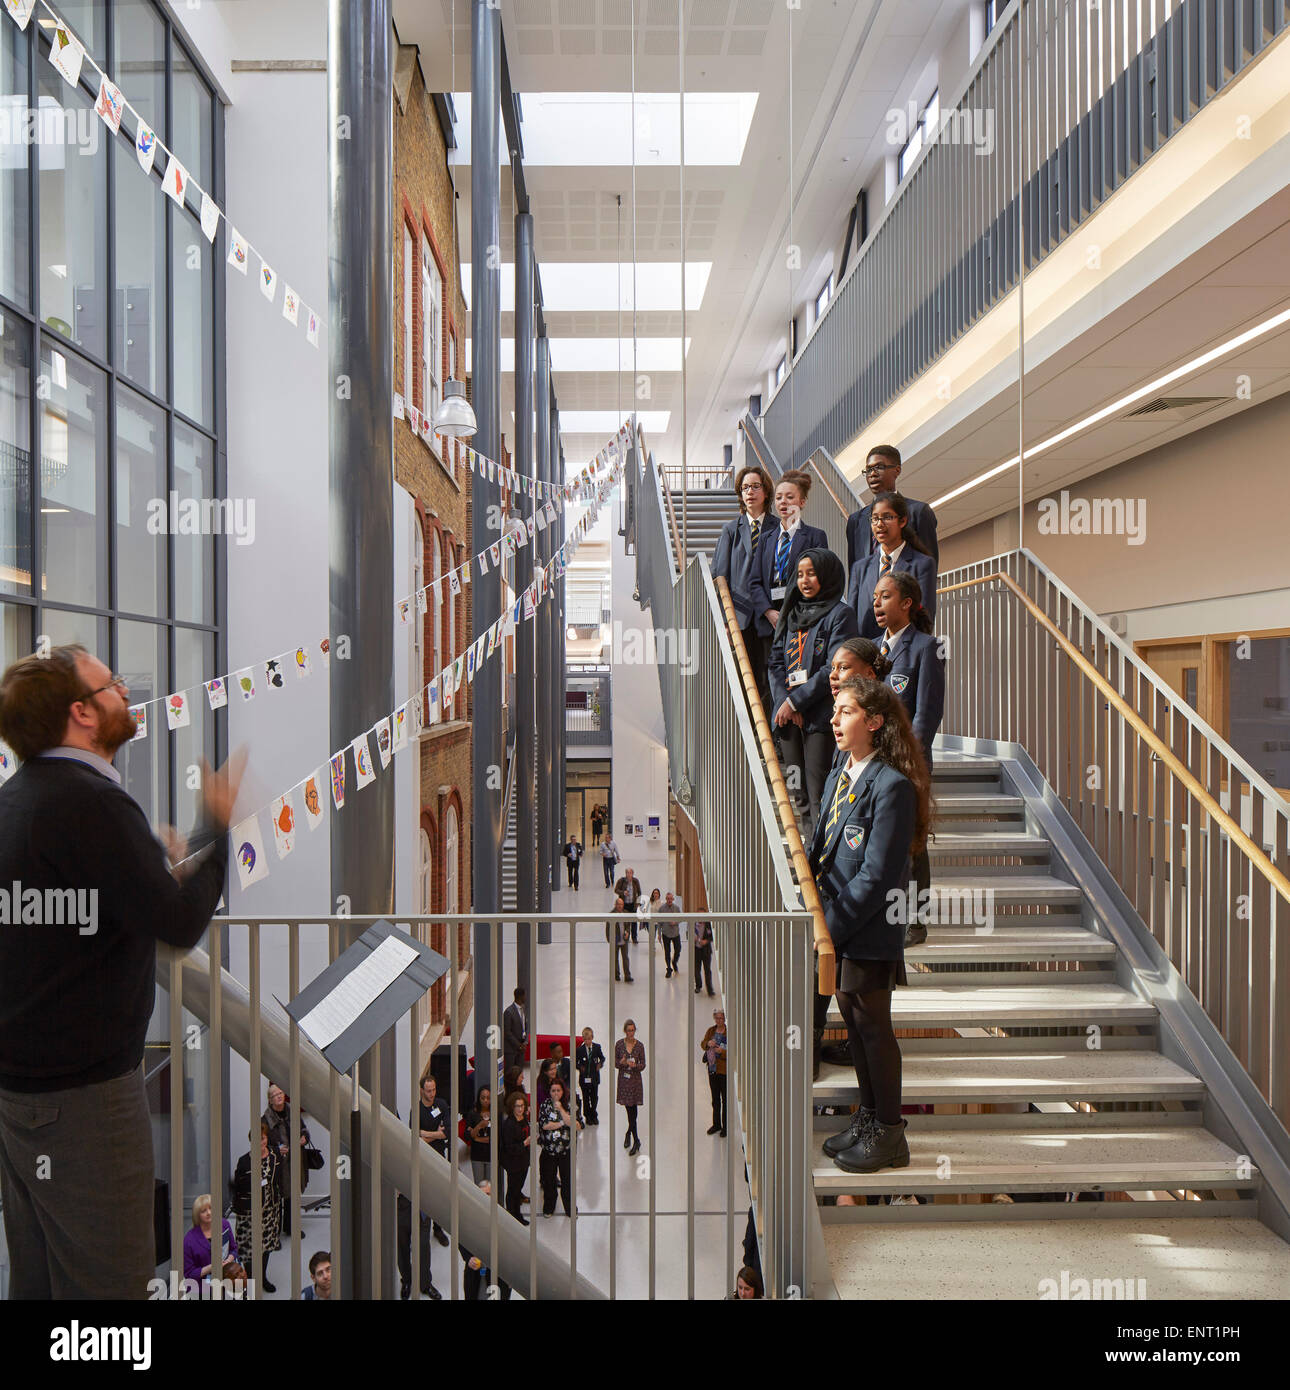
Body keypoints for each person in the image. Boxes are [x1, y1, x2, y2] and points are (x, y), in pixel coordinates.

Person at [0, 644, 242, 1299]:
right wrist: (213, 831)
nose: (125, 693)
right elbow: (177, 923)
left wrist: (145, 866)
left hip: (22, 1099)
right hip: (87, 1104)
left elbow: (71, 910)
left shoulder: (17, 799)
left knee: (41, 1279)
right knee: (106, 1289)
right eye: (111, 685)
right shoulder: (91, 804)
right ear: (81, 713)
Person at [812, 679, 930, 1175]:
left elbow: (878, 876)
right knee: (856, 1029)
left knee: (875, 1029)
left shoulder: (893, 786)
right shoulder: (843, 771)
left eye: (845, 712)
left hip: (868, 930)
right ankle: (867, 1118)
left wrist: (829, 930)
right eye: (835, 712)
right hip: (838, 927)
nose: (834, 721)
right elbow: (824, 846)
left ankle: (890, 1132)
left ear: (874, 722)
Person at [872, 570, 944, 947]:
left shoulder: (925, 647)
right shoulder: (871, 648)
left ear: (907, 604)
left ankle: (915, 921)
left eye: (885, 597)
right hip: (873, 762)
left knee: (911, 845)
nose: (877, 604)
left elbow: (927, 714)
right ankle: (885, 915)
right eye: (874, 598)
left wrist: (906, 760)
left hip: (908, 764)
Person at [769, 548, 860, 826]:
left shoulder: (841, 615)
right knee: (799, 795)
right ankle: (809, 855)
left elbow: (833, 668)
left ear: (827, 576)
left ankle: (819, 859)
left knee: (819, 792)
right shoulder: (791, 612)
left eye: (812, 574)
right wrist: (786, 702)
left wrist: (796, 702)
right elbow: (775, 662)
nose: (804, 581)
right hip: (790, 720)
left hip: (821, 718)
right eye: (799, 575)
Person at [712, 462, 777, 711]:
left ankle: (772, 736)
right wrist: (726, 620)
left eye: (755, 486)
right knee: (746, 677)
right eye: (745, 487)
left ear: (766, 492)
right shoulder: (731, 530)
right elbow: (721, 578)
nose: (750, 492)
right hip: (740, 618)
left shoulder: (777, 526)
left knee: (770, 677)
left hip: (769, 615)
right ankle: (753, 734)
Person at [747, 469, 830, 638]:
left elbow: (820, 580)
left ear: (802, 502)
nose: (783, 502)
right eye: (778, 498)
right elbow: (754, 581)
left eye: (790, 497)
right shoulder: (766, 539)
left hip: (800, 619)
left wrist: (797, 612)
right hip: (768, 623)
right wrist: (768, 611)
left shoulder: (815, 536)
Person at [849, 492, 937, 638]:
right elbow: (851, 618)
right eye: (875, 519)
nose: (879, 524)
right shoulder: (860, 568)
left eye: (887, 517)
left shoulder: (922, 564)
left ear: (902, 521)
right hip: (866, 653)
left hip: (904, 651)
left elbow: (925, 615)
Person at [844, 445, 939, 574]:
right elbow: (854, 572)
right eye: (868, 470)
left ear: (897, 470)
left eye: (879, 467)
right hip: (869, 594)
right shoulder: (855, 521)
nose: (872, 474)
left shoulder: (918, 512)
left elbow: (929, 569)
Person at [232, 1122, 283, 1293]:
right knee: (248, 1248)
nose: (259, 1143)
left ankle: (262, 1277)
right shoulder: (244, 1161)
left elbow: (279, 1180)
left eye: (262, 1139)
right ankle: (250, 1279)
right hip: (249, 1211)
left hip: (270, 1208)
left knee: (266, 1245)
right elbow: (237, 1186)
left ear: (266, 1138)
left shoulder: (275, 1157)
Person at [262, 1082, 311, 1235]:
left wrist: (304, 1138)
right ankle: (274, 1233)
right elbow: (260, 1141)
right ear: (270, 1100)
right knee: (276, 1198)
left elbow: (304, 1130)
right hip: (277, 1164)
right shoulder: (265, 1120)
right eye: (274, 1095)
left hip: (295, 1162)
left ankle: (291, 1228)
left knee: (293, 1196)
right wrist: (275, 1149)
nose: (278, 1097)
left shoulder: (293, 1112)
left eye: (280, 1094)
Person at [417, 1071, 452, 1246]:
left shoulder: (442, 1104)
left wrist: (425, 1133)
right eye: (428, 1090)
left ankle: (438, 1229)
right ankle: (423, 1226)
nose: (432, 1093)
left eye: (434, 1090)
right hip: (423, 1158)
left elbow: (447, 1132)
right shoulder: (416, 1110)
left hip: (439, 1155)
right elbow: (415, 1137)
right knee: (425, 1194)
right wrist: (437, 1134)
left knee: (439, 1195)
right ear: (422, 1091)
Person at [538, 1077, 581, 1216]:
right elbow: (545, 1125)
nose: (556, 1093)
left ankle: (569, 1207)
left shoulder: (570, 1105)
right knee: (549, 1181)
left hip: (566, 1152)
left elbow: (577, 1125)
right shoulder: (545, 1105)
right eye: (553, 1090)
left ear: (563, 1091)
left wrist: (561, 1110)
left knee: (567, 1181)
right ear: (549, 1092)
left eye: (558, 1090)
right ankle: (549, 1207)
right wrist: (564, 1123)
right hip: (548, 1152)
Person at [462, 1181, 512, 1300]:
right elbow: (462, 1240)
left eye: (488, 1194)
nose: (485, 1198)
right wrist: (468, 1258)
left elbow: (512, 1248)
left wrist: (512, 1276)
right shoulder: (468, 1217)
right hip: (475, 1273)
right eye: (482, 1194)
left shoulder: (504, 1218)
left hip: (498, 1274)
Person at [183, 1193, 241, 1295]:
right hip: (200, 1289)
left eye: (211, 1208)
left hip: (223, 1281)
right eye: (203, 1211)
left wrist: (229, 1260)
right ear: (197, 1215)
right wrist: (211, 1267)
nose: (209, 1213)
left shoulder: (224, 1224)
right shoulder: (189, 1240)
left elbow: (234, 1249)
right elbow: (189, 1273)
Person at [615, 1020, 646, 1156]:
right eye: (628, 1030)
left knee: (633, 1112)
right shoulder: (619, 1045)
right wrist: (621, 1062)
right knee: (630, 1112)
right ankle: (635, 1139)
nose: (631, 1033)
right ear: (625, 1031)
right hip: (624, 1081)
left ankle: (632, 1136)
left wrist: (636, 1066)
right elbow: (616, 1063)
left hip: (635, 1082)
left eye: (633, 1030)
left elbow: (643, 1064)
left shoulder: (639, 1046)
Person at [500, 1092, 532, 1225]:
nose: (520, 1109)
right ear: (512, 1107)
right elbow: (509, 1147)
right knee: (513, 1190)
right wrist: (525, 1143)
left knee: (518, 1188)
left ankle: (516, 1214)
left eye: (522, 1106)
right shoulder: (509, 1124)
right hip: (513, 1162)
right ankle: (513, 1216)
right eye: (517, 1106)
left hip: (523, 1160)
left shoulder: (523, 1119)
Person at [701, 1010, 728, 1136]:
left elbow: (733, 1051)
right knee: (715, 1099)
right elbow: (703, 1044)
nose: (719, 1020)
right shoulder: (711, 1031)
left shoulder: (728, 1033)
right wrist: (708, 1043)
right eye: (717, 1018)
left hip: (723, 1071)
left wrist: (721, 1051)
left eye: (721, 1018)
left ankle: (725, 1127)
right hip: (712, 1069)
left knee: (725, 1100)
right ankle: (716, 1124)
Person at [576, 1027, 605, 1125]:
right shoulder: (579, 1050)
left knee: (594, 1097)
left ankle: (594, 1114)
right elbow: (576, 1062)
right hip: (584, 1078)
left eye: (589, 1039)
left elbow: (602, 1057)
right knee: (585, 1097)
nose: (587, 1041)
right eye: (585, 1039)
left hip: (594, 1078)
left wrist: (600, 1064)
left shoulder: (597, 1047)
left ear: (592, 1037)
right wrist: (580, 1067)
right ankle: (587, 1115)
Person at [465, 1086, 493, 1183]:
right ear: (478, 1098)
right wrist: (479, 1126)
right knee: (479, 1186)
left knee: (490, 1187)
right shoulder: (472, 1114)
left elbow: (493, 1139)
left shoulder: (495, 1113)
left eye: (488, 1098)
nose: (485, 1100)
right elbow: (468, 1136)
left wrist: (477, 1139)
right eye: (483, 1098)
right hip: (477, 1155)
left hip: (491, 1155)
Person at [607, 897, 633, 982]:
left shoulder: (626, 913)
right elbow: (608, 928)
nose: (620, 906)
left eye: (621, 904)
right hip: (615, 940)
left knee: (625, 958)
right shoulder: (611, 914)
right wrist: (609, 940)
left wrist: (627, 933)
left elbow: (628, 925)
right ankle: (616, 975)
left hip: (624, 940)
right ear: (615, 905)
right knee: (615, 958)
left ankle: (627, 976)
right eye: (618, 904)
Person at [660, 890, 684, 977]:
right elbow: (659, 922)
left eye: (671, 899)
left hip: (675, 933)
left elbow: (681, 918)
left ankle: (674, 962)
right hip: (666, 933)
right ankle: (669, 969)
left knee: (678, 949)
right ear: (666, 899)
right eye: (668, 899)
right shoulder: (662, 909)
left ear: (673, 899)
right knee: (667, 952)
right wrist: (659, 934)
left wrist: (675, 922)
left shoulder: (676, 908)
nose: (669, 900)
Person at [503, 986, 527, 1074]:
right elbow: (507, 1032)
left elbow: (524, 1026)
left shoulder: (522, 1009)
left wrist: (524, 1042)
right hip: (511, 1049)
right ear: (520, 996)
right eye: (525, 995)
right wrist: (518, 1045)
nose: (526, 997)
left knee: (519, 1072)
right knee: (510, 1073)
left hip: (521, 1048)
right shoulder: (509, 1012)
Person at [615, 866, 642, 940]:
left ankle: (634, 938)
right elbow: (616, 890)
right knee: (625, 922)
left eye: (630, 873)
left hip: (633, 905)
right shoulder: (621, 881)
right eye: (627, 873)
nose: (628, 874)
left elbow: (639, 892)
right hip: (624, 905)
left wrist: (638, 903)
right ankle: (625, 936)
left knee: (634, 922)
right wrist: (623, 892)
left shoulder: (635, 881)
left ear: (632, 874)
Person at [693, 920, 715, 996]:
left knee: (707, 970)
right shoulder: (693, 924)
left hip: (706, 952)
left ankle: (710, 990)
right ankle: (698, 986)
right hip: (696, 951)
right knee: (696, 970)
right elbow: (688, 934)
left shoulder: (709, 925)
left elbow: (712, 936)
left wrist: (706, 941)